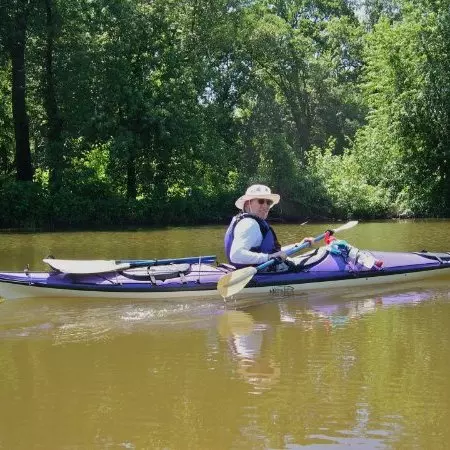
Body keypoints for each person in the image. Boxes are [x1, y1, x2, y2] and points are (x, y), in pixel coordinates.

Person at [224, 184, 314, 271]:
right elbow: (236, 255)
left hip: (254, 269)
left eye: (268, 202)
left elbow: (273, 252)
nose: (265, 205)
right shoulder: (249, 223)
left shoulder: (248, 222)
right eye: (261, 201)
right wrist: (269, 257)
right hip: (256, 273)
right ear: (248, 203)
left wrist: (298, 245)